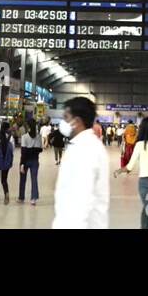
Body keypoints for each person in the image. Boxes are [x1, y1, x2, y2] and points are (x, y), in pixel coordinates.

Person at [52, 97, 110, 229]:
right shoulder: (83, 145)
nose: (63, 122)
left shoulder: (85, 150)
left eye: (66, 117)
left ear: (77, 121)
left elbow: (80, 201)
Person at [18, 116, 43, 205]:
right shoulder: (39, 137)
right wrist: (33, 149)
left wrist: (22, 164)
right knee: (34, 179)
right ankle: (33, 198)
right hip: (35, 160)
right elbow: (40, 150)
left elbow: (23, 151)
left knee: (22, 179)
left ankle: (21, 197)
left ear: (28, 126)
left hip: (25, 160)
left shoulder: (24, 137)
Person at [0, 121, 15, 205]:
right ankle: (6, 193)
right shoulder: (11, 137)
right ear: (8, 128)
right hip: (6, 160)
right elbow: (12, 149)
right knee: (4, 180)